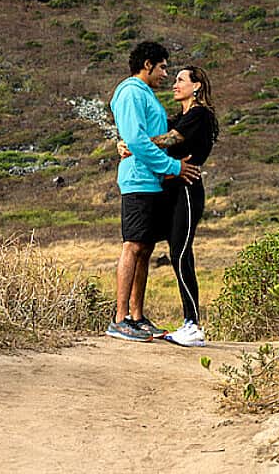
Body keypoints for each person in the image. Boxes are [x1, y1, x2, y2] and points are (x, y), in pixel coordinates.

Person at [106, 41, 200, 343]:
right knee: (133, 246)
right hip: (138, 180)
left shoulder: (145, 94)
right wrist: (173, 167)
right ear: (147, 65)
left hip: (151, 182)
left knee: (145, 248)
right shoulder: (131, 92)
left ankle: (137, 316)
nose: (165, 74)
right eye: (162, 67)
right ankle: (120, 318)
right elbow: (135, 139)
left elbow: (152, 137)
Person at [155, 66, 218, 347]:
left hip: (188, 189)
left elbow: (171, 140)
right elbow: (160, 137)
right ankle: (188, 323)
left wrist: (135, 146)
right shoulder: (179, 117)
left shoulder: (199, 115)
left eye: (181, 80)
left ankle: (193, 324)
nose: (175, 84)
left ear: (196, 86)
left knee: (180, 252)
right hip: (171, 190)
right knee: (178, 252)